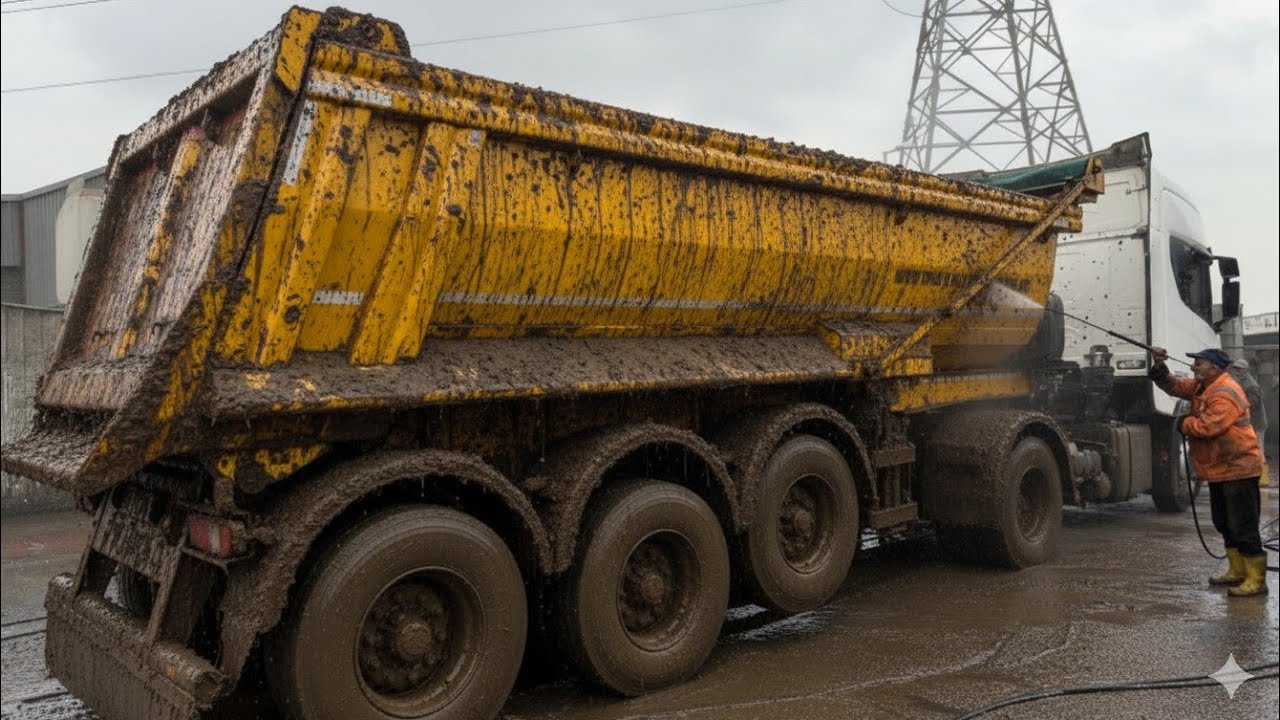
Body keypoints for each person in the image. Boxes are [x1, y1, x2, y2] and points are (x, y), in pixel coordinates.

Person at [1148, 346, 1266, 597]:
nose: (1193, 368)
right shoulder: (1204, 386)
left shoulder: (1224, 392)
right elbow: (1175, 387)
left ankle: (1256, 580)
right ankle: (1237, 571)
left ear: (1214, 367)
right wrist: (1159, 366)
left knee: (1243, 525)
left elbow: (1208, 426)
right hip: (1221, 468)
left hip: (1238, 468)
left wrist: (1182, 422)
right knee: (1224, 522)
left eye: (1198, 363)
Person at [1228, 358, 1270, 487]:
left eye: (1238, 368)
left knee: (1258, 450)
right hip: (1252, 422)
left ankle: (1263, 479)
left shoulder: (1250, 384)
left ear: (1245, 370)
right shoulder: (1242, 381)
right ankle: (1255, 477)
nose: (1236, 370)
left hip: (1257, 423)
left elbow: (1253, 404)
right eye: (1235, 368)